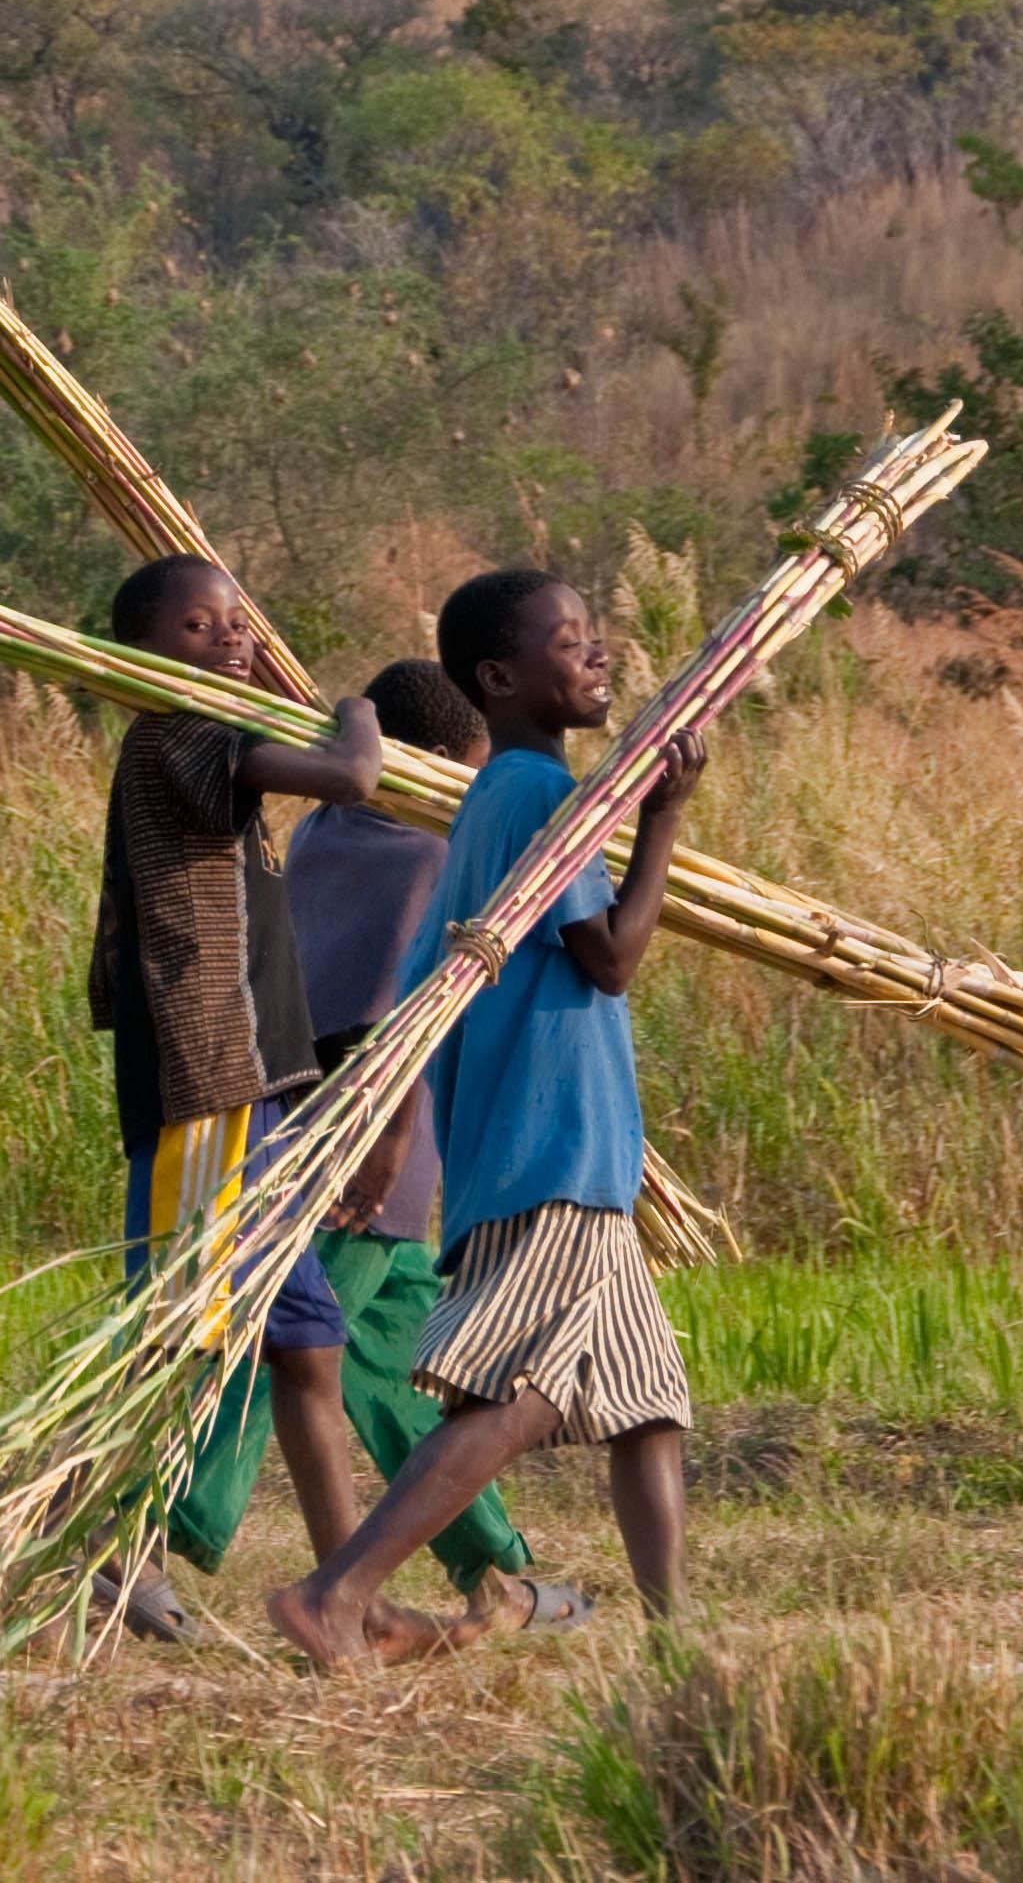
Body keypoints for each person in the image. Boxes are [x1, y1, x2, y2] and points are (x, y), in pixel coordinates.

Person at [268, 570, 707, 1671]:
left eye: (596, 636)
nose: (597, 653)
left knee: (649, 1402)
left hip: (574, 1138)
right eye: (570, 641)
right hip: (550, 1139)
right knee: (522, 1396)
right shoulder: (525, 793)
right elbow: (609, 957)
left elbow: (438, 973)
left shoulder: (510, 793)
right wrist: (661, 816)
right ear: (502, 677)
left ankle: (676, 1649)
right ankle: (338, 1591)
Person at [87, 553, 417, 1650]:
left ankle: (347, 1594)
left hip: (259, 1092)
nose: (227, 637)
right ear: (146, 654)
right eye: (197, 625)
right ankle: (108, 1548)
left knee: (308, 1346)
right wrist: (357, 705)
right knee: (183, 1333)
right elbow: (355, 777)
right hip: (211, 1086)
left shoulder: (207, 740)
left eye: (237, 620)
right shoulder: (180, 738)